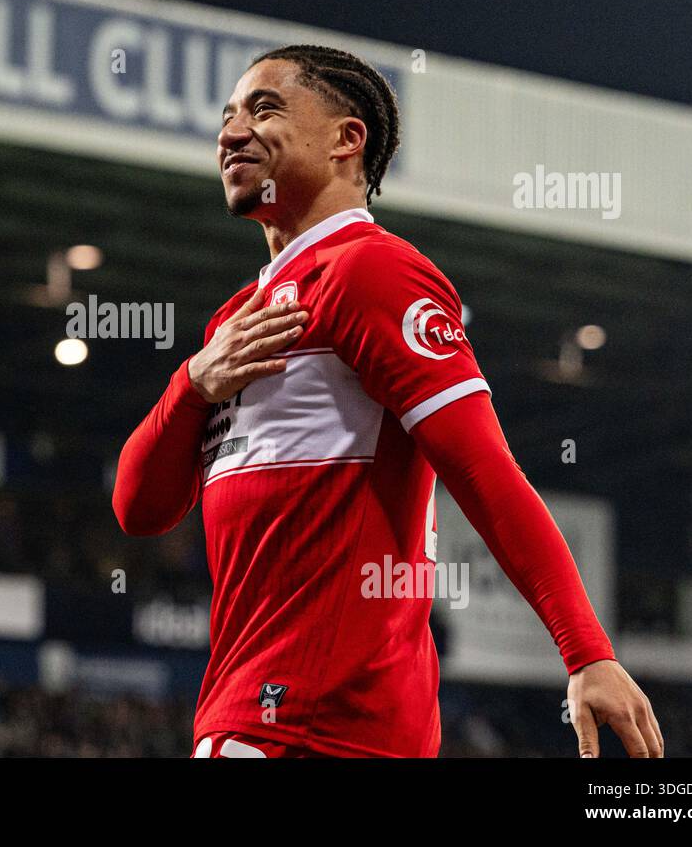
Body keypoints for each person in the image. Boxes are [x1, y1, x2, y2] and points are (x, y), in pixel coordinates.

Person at [112, 45, 662, 758]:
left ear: (347, 139)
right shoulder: (234, 324)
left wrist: (586, 651)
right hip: (290, 722)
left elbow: (484, 471)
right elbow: (141, 508)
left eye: (264, 109)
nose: (231, 133)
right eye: (226, 117)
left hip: (302, 724)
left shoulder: (371, 271)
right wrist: (192, 383)